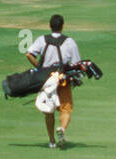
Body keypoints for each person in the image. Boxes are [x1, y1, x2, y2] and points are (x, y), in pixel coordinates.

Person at [26, 14, 81, 148]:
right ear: (62, 26)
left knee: (49, 111)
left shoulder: (42, 40)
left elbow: (29, 54)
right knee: (66, 109)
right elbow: (76, 64)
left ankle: (51, 141)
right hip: (62, 79)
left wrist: (39, 68)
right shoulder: (69, 42)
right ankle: (62, 128)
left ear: (50, 26)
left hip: (46, 80)